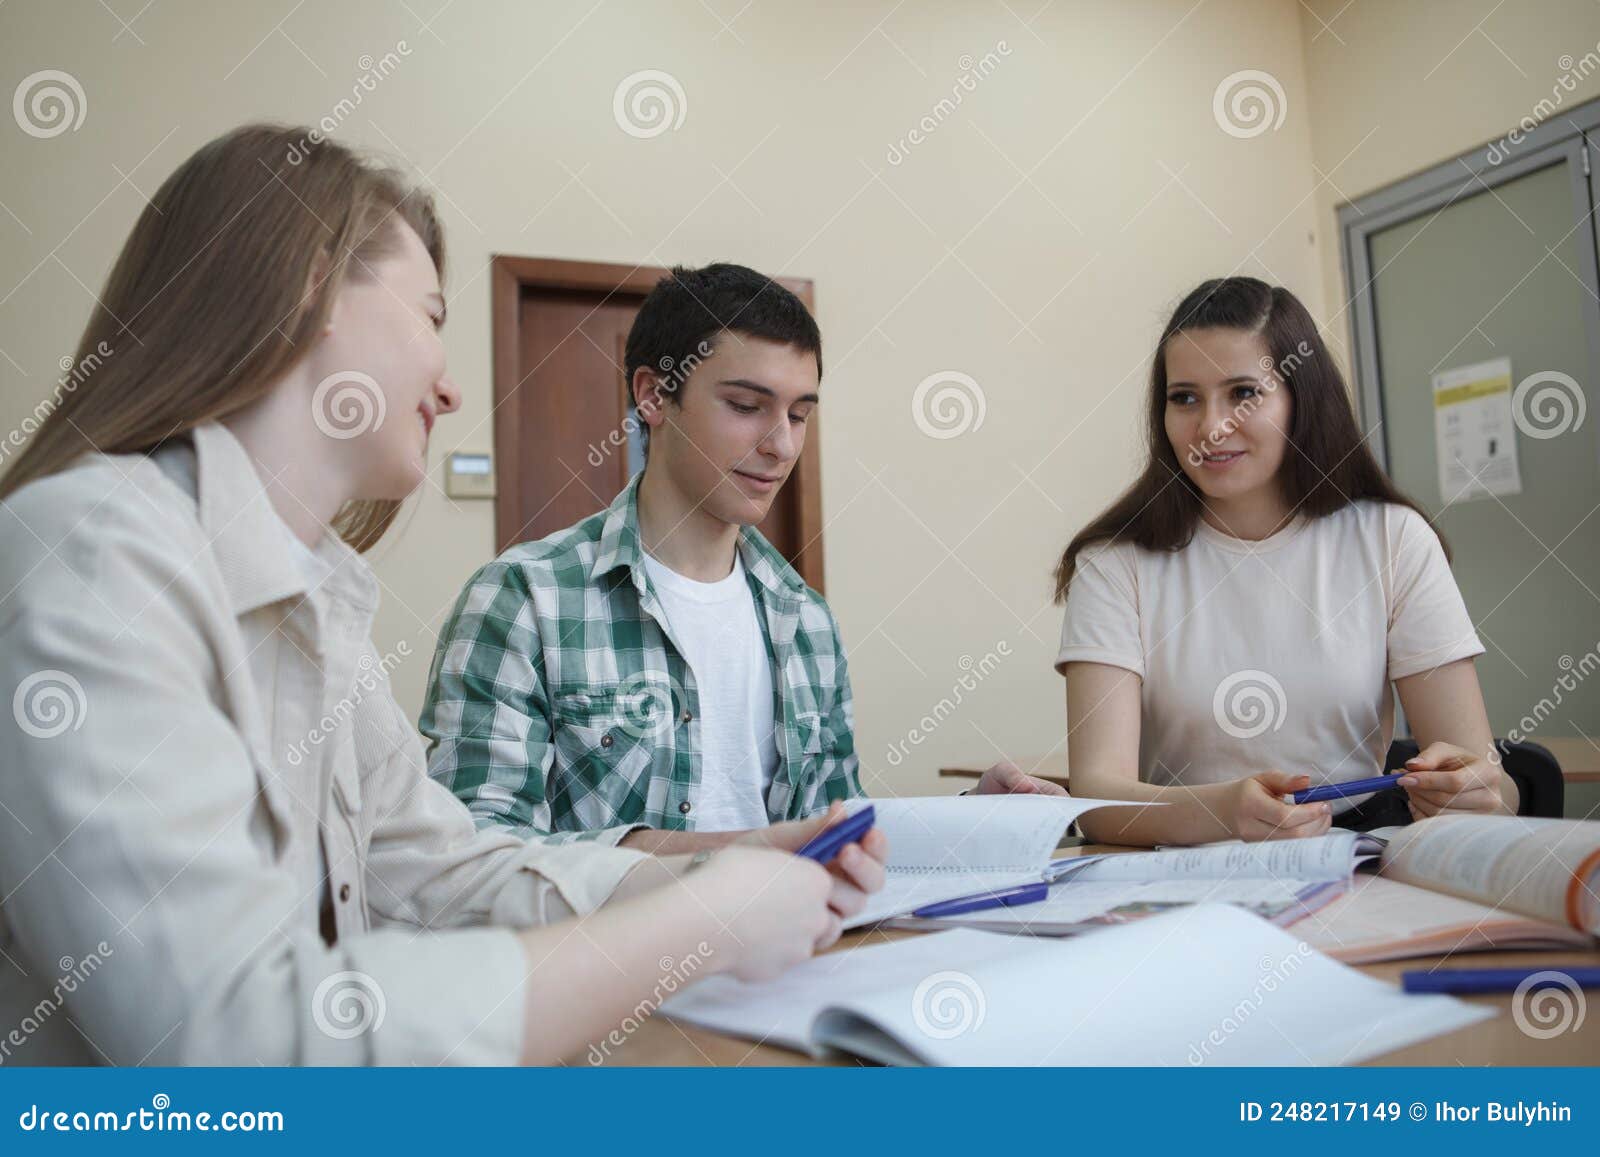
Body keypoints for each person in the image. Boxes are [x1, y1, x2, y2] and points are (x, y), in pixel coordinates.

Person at [0, 124, 884, 1066]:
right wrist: (699, 922)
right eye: (428, 316)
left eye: (799, 413)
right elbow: (231, 1034)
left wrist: (724, 869)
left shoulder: (316, 608)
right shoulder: (90, 552)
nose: (452, 387)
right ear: (310, 285)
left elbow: (450, 868)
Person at [421, 262, 1060, 851]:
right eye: (747, 407)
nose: (782, 445)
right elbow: (475, 858)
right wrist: (732, 858)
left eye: (800, 415)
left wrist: (972, 819)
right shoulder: (523, 600)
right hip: (616, 971)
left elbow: (829, 832)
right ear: (652, 396)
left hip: (794, 966)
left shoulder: (805, 621)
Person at [1054, 277, 1517, 847]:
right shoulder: (1114, 562)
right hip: (1182, 860)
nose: (1211, 426)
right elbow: (1100, 799)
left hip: (1360, 853)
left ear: (1302, 399)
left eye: (1244, 392)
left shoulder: (1392, 538)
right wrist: (1222, 811)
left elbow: (1492, 784)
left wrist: (1477, 793)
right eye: (1185, 397)